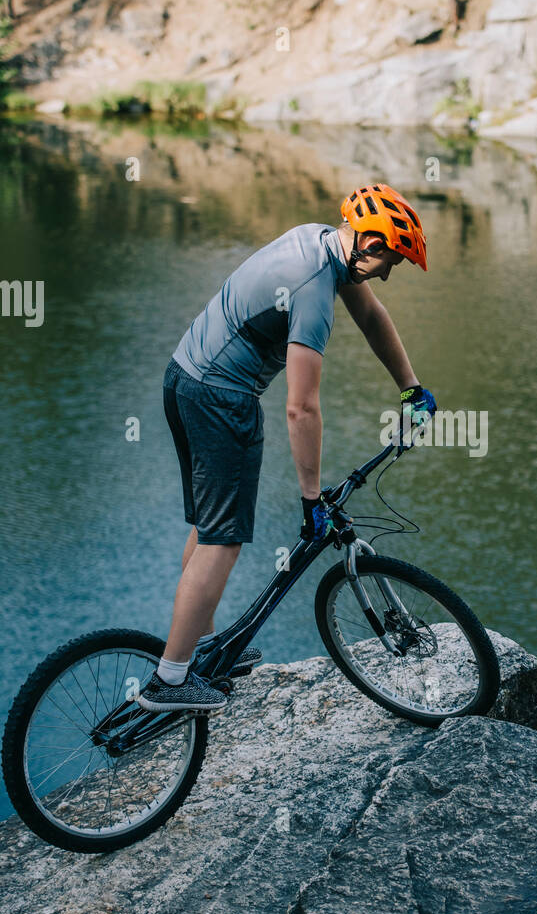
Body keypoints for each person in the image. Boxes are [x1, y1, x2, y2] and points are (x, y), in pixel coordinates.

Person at [138, 183, 436, 713]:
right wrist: (310, 500)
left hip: (182, 377)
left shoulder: (318, 242)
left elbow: (371, 318)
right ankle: (172, 678)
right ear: (367, 241)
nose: (389, 272)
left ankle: (203, 646)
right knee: (223, 541)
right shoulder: (314, 288)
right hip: (220, 399)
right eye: (390, 259)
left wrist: (410, 386)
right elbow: (301, 408)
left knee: (209, 527)